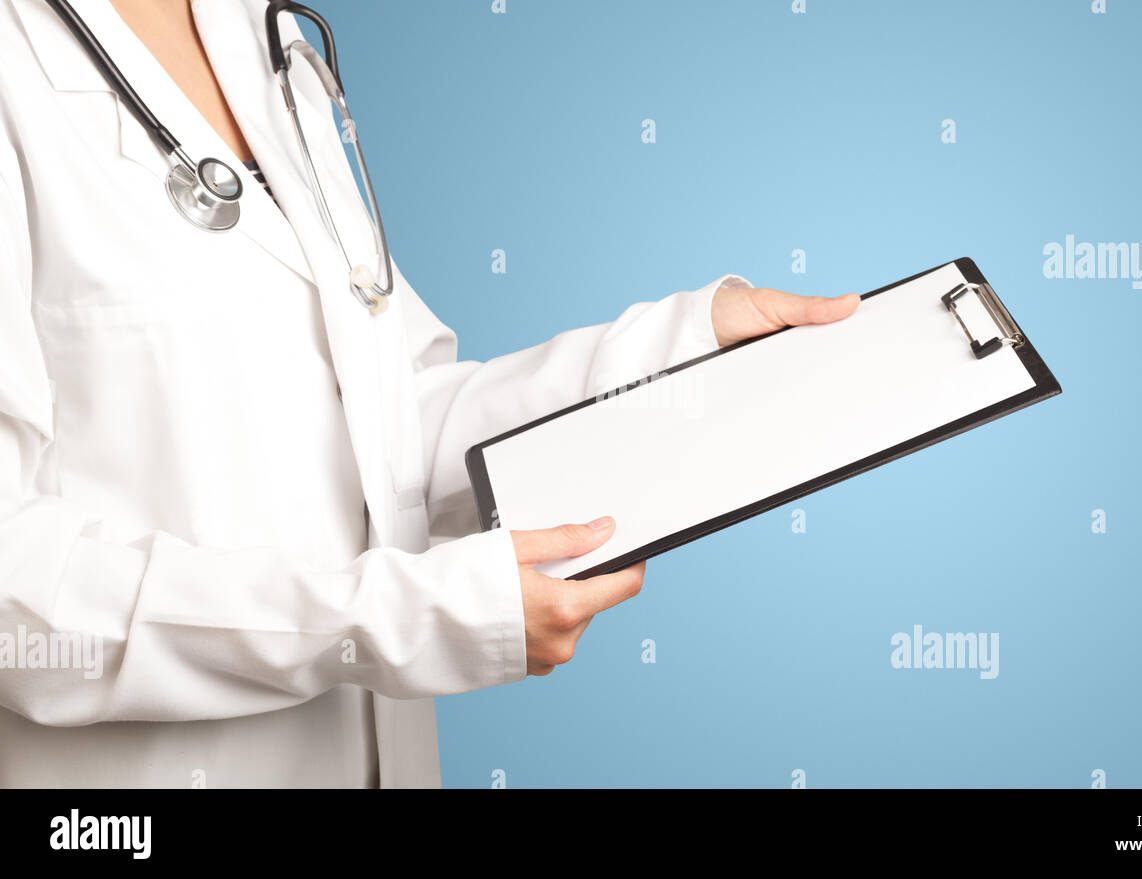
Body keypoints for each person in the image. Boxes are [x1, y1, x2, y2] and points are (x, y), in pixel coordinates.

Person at [0, 0, 858, 787]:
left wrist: (679, 354)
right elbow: (17, 595)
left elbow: (388, 433)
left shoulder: (264, 33)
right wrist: (398, 619)